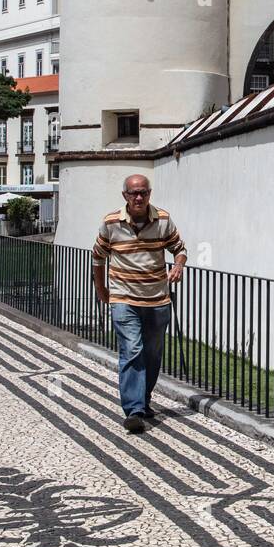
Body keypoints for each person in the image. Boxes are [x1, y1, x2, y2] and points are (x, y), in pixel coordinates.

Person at [91, 174, 186, 434]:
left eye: (143, 192)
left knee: (153, 354)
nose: (139, 197)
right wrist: (102, 289)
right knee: (132, 349)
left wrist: (178, 265)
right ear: (125, 196)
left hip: (157, 299)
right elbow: (97, 257)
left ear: (150, 194)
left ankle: (143, 400)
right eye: (134, 193)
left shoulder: (163, 220)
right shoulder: (111, 223)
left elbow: (179, 248)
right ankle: (133, 410)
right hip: (124, 298)